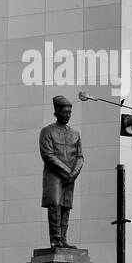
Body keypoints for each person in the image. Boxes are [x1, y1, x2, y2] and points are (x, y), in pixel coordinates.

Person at [39, 96, 83, 248]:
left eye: (69, 112)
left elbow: (80, 156)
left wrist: (74, 173)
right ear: (56, 112)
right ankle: (55, 239)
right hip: (55, 175)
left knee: (66, 206)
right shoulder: (47, 131)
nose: (67, 115)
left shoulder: (75, 134)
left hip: (70, 177)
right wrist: (67, 172)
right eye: (64, 112)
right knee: (55, 205)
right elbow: (47, 155)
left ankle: (63, 239)